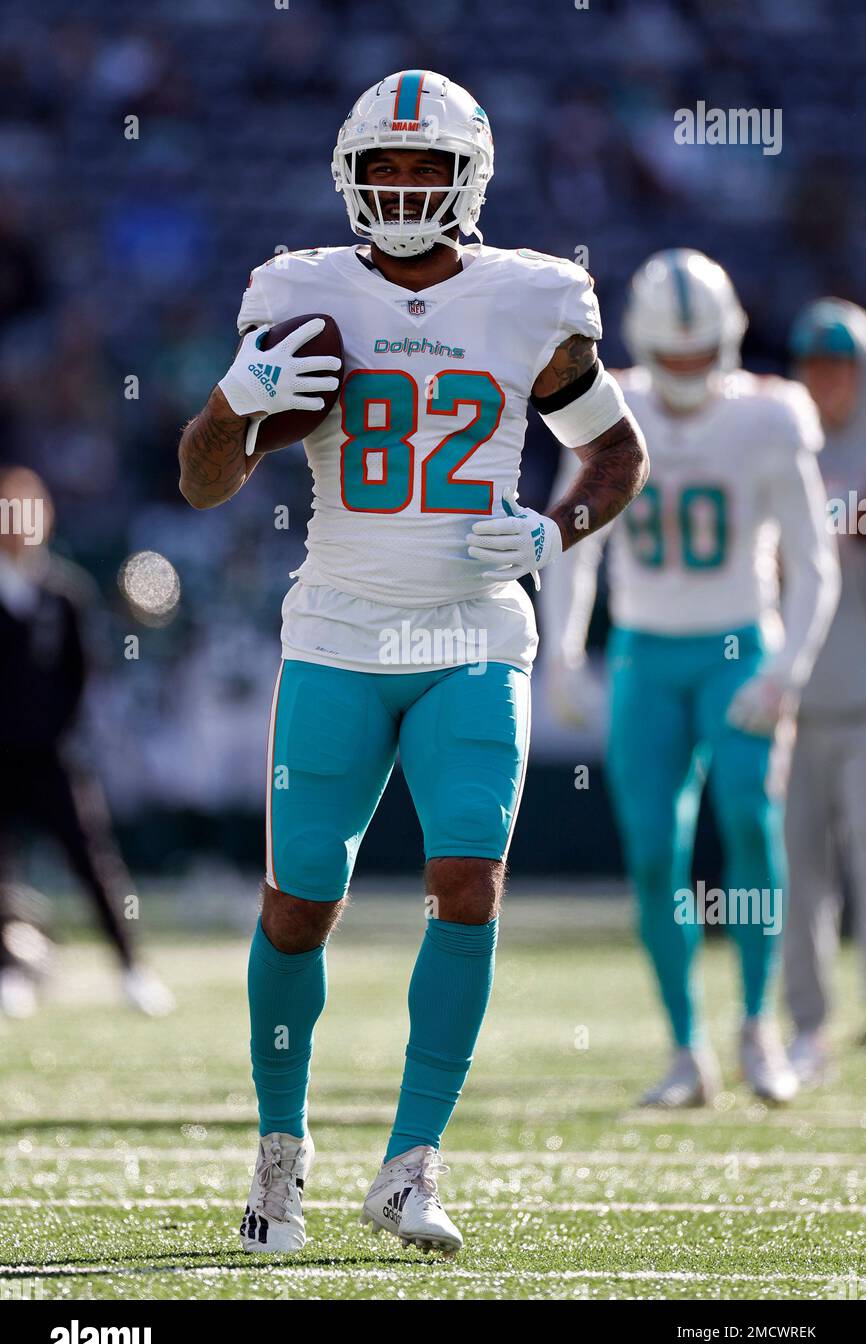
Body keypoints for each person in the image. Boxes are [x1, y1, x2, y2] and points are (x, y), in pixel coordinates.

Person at [178, 70, 649, 1255]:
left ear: (465, 179)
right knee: (297, 907)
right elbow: (201, 475)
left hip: (474, 632)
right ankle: (279, 1156)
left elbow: (615, 453)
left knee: (468, 885)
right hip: (335, 627)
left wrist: (556, 529)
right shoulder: (301, 291)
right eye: (380, 168)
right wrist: (234, 399)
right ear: (347, 176)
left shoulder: (530, 300)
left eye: (421, 169)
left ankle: (410, 1162)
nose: (397, 188)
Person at [544, 250, 839, 1108]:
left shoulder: (770, 415)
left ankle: (756, 1027)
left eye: (697, 352)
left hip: (738, 646)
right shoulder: (612, 405)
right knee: (650, 852)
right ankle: (686, 1049)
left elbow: (815, 565)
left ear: (730, 340)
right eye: (670, 355)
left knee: (751, 818)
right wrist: (561, 651)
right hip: (644, 651)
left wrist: (787, 669)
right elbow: (576, 533)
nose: (683, 369)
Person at [0, 466, 174, 1017]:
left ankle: (131, 967)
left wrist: (54, 734)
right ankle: (12, 968)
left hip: (52, 757)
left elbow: (81, 676)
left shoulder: (63, 591)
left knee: (93, 864)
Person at [783, 299, 866, 1083]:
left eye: (839, 366)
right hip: (793, 700)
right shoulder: (783, 444)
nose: (826, 381)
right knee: (796, 879)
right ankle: (809, 1029)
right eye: (814, 365)